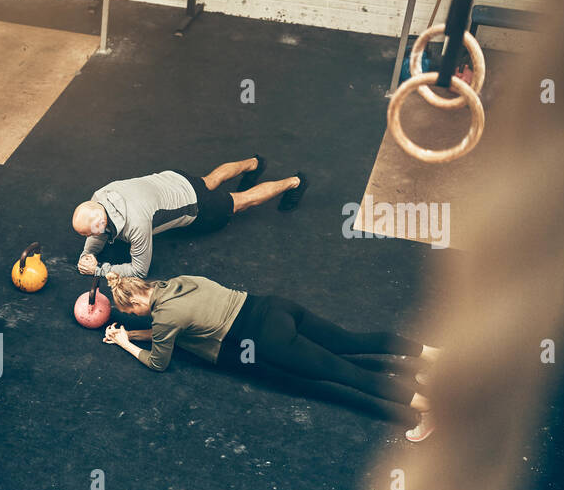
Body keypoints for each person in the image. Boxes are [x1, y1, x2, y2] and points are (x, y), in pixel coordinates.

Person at [99, 272, 440, 441]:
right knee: (350, 341)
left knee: (343, 373)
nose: (140, 318)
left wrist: (124, 343)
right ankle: (433, 355)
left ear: (136, 304)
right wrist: (130, 332)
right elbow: (168, 329)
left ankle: (428, 408)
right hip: (275, 307)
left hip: (270, 339)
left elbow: (159, 361)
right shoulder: (177, 282)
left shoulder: (165, 317)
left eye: (135, 314)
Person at [74, 158, 306, 278]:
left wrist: (99, 270)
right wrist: (88, 254)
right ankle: (255, 163)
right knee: (211, 180)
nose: (88, 237)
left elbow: (139, 271)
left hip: (195, 204)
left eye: (87, 234)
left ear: (100, 223)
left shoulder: (136, 223)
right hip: (174, 179)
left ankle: (295, 182)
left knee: (241, 201)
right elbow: (99, 231)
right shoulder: (99, 196)